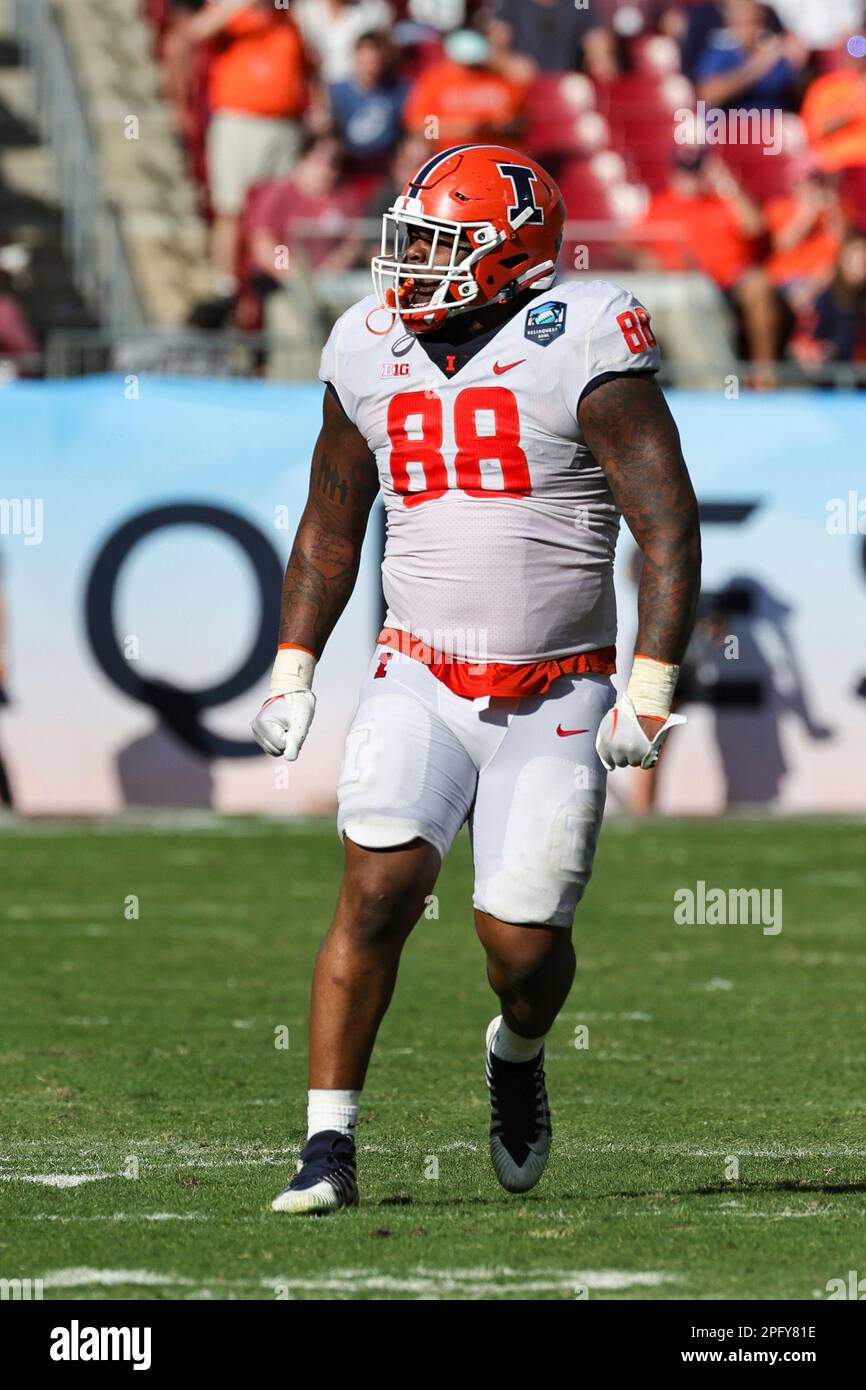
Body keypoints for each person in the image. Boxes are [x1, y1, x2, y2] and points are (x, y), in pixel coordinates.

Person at [250, 144, 701, 1212]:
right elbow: (330, 520)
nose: (409, 264)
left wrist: (649, 685)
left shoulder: (582, 338)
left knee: (522, 949)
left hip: (559, 684)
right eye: (410, 240)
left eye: (437, 244)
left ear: (510, 253)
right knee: (376, 891)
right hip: (416, 669)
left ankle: (517, 1050)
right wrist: (293, 666)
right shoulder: (367, 344)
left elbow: (666, 525)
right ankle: (326, 1147)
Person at [183, 0, 308, 309]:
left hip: (284, 125)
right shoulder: (235, 16)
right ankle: (224, 286)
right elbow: (195, 31)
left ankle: (272, 281)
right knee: (231, 207)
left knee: (278, 214)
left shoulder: (290, 21)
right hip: (240, 122)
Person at [633, 149, 779, 381]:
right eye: (685, 171)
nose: (691, 178)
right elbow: (625, 246)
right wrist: (643, 257)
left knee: (759, 285)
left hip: (729, 281)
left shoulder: (723, 200)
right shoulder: (660, 205)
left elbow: (755, 226)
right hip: (686, 285)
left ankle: (764, 373)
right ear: (674, 173)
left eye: (696, 171)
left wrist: (726, 183)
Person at [403, 27, 528, 150]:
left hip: (499, 153)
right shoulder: (434, 80)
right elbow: (419, 127)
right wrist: (466, 128)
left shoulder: (501, 78)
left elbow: (521, 122)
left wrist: (500, 127)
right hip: (452, 155)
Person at [693, 0, 807, 112]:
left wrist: (800, 63)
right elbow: (708, 94)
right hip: (735, 119)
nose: (749, 29)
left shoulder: (778, 50)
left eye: (754, 22)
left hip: (777, 119)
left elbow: (796, 90)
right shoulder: (720, 53)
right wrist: (756, 67)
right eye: (742, 23)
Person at [328, 31, 407, 162]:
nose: (371, 63)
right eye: (367, 59)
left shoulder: (399, 90)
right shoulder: (337, 92)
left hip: (388, 161)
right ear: (355, 57)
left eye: (375, 58)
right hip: (348, 162)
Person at [294, 0, 395, 85]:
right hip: (317, 89)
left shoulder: (375, 10)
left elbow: (388, 54)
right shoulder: (302, 10)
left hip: (361, 91)